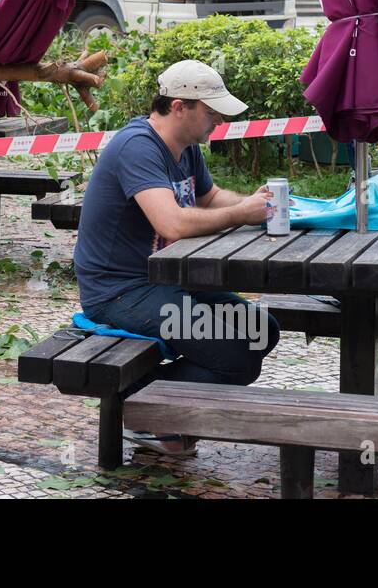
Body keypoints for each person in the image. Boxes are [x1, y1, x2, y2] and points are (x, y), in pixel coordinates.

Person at [72, 60, 281, 456]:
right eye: (211, 110)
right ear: (179, 106)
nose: (218, 119)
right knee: (236, 353)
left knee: (261, 328)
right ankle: (142, 410)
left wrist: (259, 204)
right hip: (119, 292)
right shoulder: (138, 146)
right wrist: (241, 214)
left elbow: (211, 198)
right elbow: (171, 224)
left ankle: (154, 405)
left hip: (164, 282)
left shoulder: (185, 149)